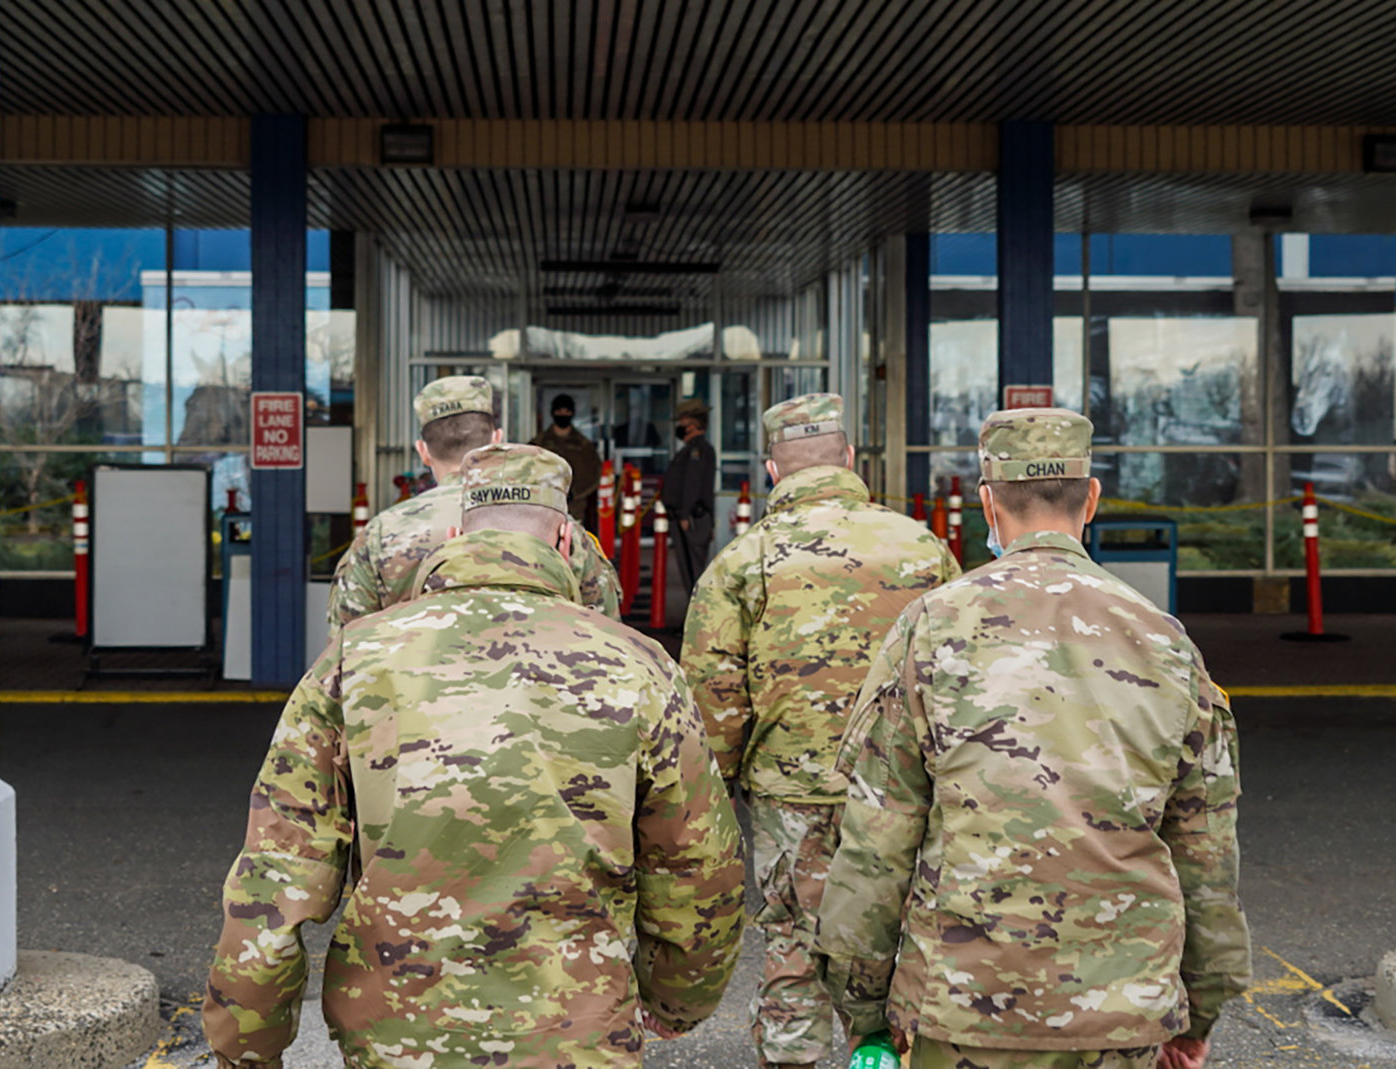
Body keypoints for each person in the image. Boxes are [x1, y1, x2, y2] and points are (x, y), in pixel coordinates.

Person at [205, 444, 747, 1069]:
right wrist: (676, 1001)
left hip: (396, 1034)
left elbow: (277, 876)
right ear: (565, 542)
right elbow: (698, 865)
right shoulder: (640, 665)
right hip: (576, 1032)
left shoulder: (357, 657)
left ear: (457, 535)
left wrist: (247, 1048)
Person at [815, 408, 1250, 1069]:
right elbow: (1206, 851)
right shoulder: (1166, 641)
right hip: (1122, 1012)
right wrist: (1200, 1009)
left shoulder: (930, 628)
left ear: (987, 503)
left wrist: (866, 1010)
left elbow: (878, 840)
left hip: (962, 1008)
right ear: (1091, 499)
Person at [681, 393, 960, 1069]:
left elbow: (714, 699)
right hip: (902, 791)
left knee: (794, 941)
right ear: (850, 458)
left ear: (772, 469)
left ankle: (793, 1058)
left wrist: (716, 795)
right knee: (903, 939)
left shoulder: (742, 561)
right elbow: (960, 675)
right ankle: (891, 1053)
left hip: (791, 794)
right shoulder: (924, 549)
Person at [326, 375, 620, 634]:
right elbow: (609, 637)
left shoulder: (379, 535)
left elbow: (346, 646)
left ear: (423, 451)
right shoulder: (557, 527)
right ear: (496, 440)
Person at [662, 397, 716, 593]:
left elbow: (692, 484)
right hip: (686, 516)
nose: (679, 426)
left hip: (693, 518)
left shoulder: (698, 450)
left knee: (694, 570)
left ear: (693, 424)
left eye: (682, 421)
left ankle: (699, 609)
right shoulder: (691, 449)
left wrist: (685, 514)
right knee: (688, 570)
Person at [532, 392, 603, 533]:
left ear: (572, 413)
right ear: (553, 412)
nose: (563, 415)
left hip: (575, 506)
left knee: (573, 539)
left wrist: (575, 493)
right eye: (559, 411)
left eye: (567, 411)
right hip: (545, 504)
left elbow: (594, 473)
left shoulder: (584, 445)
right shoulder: (539, 443)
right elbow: (529, 470)